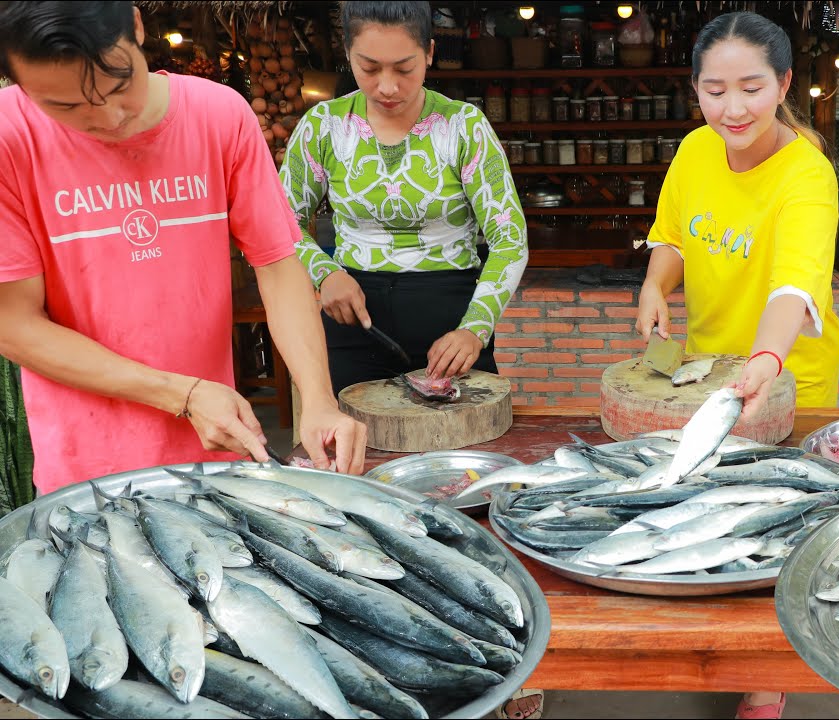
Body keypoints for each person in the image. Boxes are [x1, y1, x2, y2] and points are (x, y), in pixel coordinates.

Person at [0, 0, 366, 495]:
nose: (109, 117)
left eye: (120, 83)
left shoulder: (219, 114)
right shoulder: (9, 138)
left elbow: (278, 263)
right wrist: (183, 393)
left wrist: (319, 398)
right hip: (87, 471)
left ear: (135, 24)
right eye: (66, 107)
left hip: (215, 459)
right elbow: (14, 325)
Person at [635, 11, 839, 719]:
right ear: (695, 90)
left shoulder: (807, 175)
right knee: (714, 514)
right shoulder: (696, 150)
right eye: (715, 90)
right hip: (711, 371)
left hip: (787, 376)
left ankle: (766, 673)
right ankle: (715, 640)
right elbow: (673, 236)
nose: (733, 108)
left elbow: (794, 284)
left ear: (784, 84)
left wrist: (764, 358)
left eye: (751, 88)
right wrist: (655, 285)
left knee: (780, 526)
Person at [281, 0, 528, 395]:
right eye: (369, 67)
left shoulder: (463, 127)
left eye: (404, 68)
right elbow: (280, 222)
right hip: (353, 326)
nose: (388, 86)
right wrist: (324, 273)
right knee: (357, 449)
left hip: (453, 330)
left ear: (429, 53)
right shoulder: (324, 127)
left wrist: (475, 328)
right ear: (348, 54)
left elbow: (510, 240)